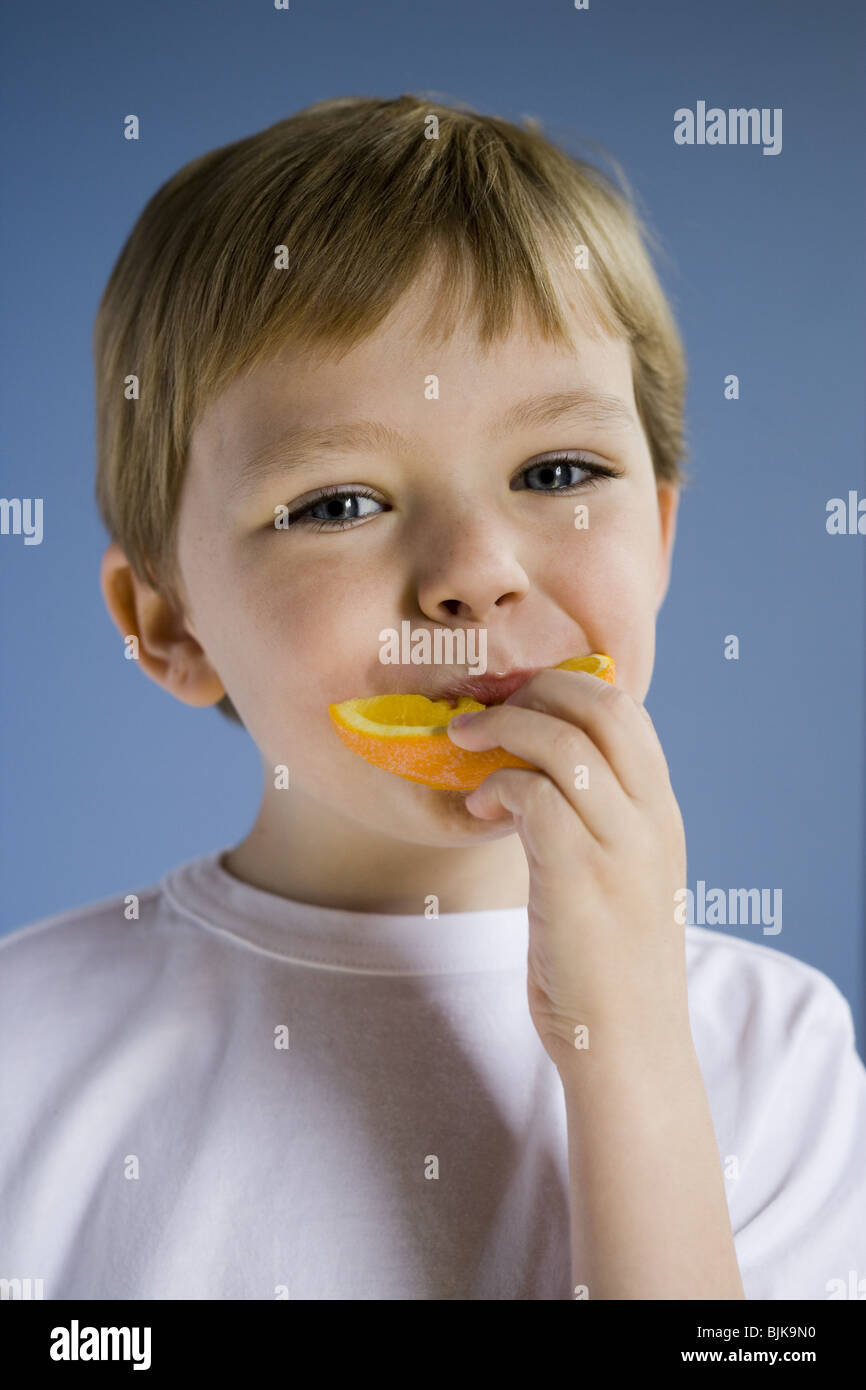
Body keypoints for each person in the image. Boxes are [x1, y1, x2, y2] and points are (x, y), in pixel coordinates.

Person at [2, 94, 864, 1300]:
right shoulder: (19, 1048)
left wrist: (626, 1051)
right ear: (168, 620)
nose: (472, 573)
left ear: (658, 536)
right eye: (336, 502)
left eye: (556, 472)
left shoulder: (774, 1052)